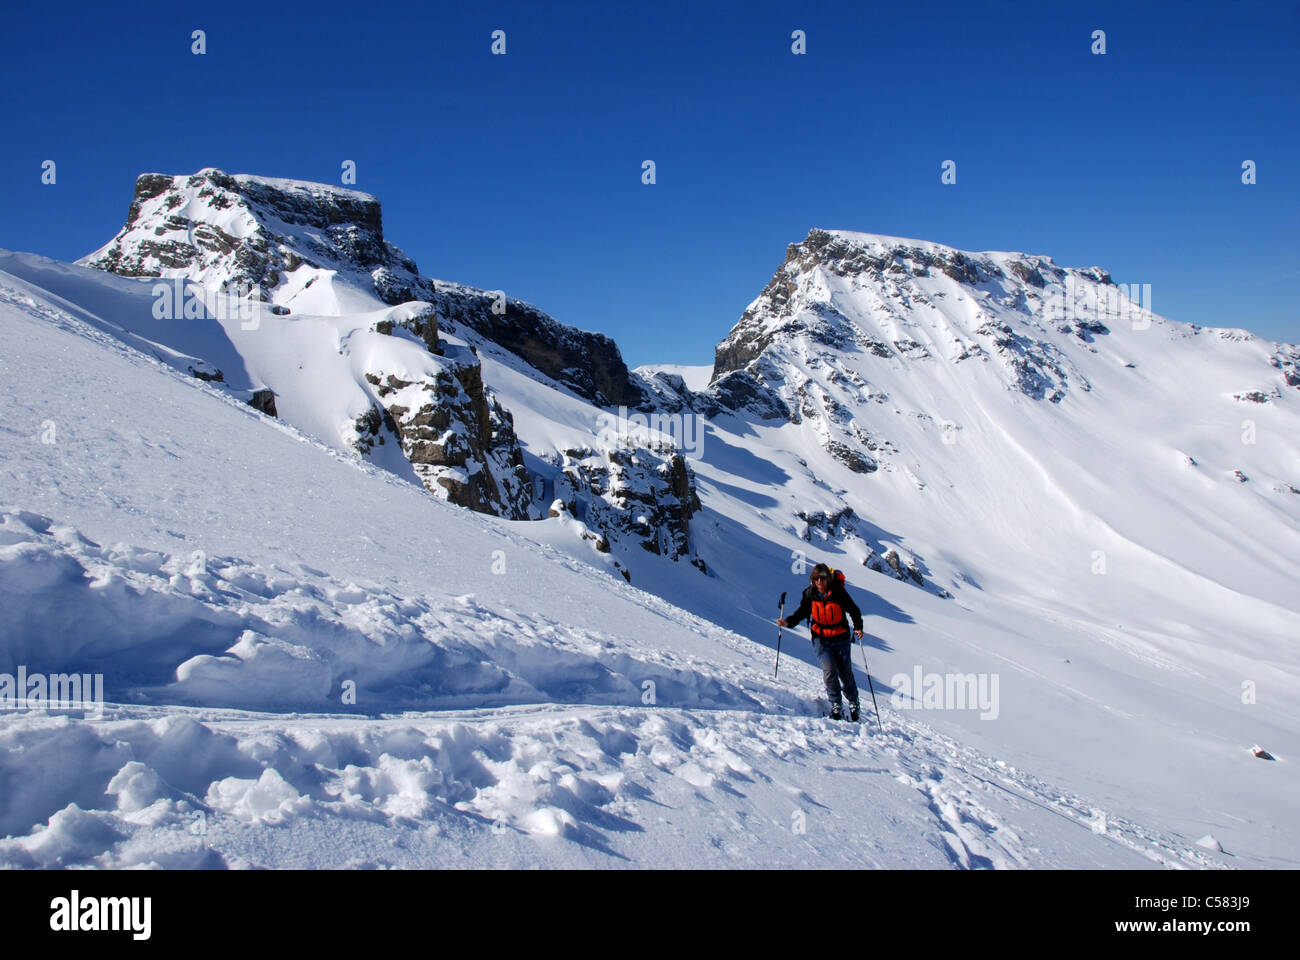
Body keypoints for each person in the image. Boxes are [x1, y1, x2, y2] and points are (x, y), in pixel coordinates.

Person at [778, 563, 865, 721]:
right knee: (830, 670)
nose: (820, 581)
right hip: (821, 638)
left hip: (840, 637)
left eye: (823, 578)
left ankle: (853, 701)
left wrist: (858, 627)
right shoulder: (810, 594)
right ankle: (836, 703)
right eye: (816, 578)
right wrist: (788, 622)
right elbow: (802, 612)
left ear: (828, 579)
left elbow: (853, 609)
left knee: (845, 671)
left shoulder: (838, 592)